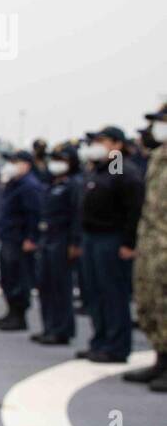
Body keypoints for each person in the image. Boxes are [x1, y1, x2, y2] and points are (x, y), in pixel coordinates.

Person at [77, 126, 145, 363]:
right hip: (92, 238)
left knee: (113, 294)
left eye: (102, 141)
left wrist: (128, 242)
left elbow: (133, 210)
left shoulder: (121, 170)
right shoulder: (100, 170)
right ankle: (100, 341)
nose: (97, 145)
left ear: (117, 144)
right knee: (95, 293)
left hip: (112, 238)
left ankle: (116, 346)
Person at [127, 102, 167, 389]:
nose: (158, 127)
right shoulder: (157, 158)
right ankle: (160, 359)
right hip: (152, 244)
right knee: (150, 302)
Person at [32, 144, 82, 345]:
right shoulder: (52, 183)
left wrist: (74, 242)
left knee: (61, 287)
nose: (56, 163)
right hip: (47, 237)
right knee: (46, 284)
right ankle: (49, 327)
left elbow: (77, 215)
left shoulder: (73, 185)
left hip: (62, 239)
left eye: (61, 159)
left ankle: (62, 329)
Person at [0, 151, 44, 332]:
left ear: (26, 165)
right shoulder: (13, 184)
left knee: (19, 279)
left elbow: (35, 215)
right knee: (8, 277)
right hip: (8, 237)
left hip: (20, 239)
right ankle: (10, 312)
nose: (11, 165)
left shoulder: (30, 186)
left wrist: (32, 238)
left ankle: (19, 316)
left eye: (15, 161)